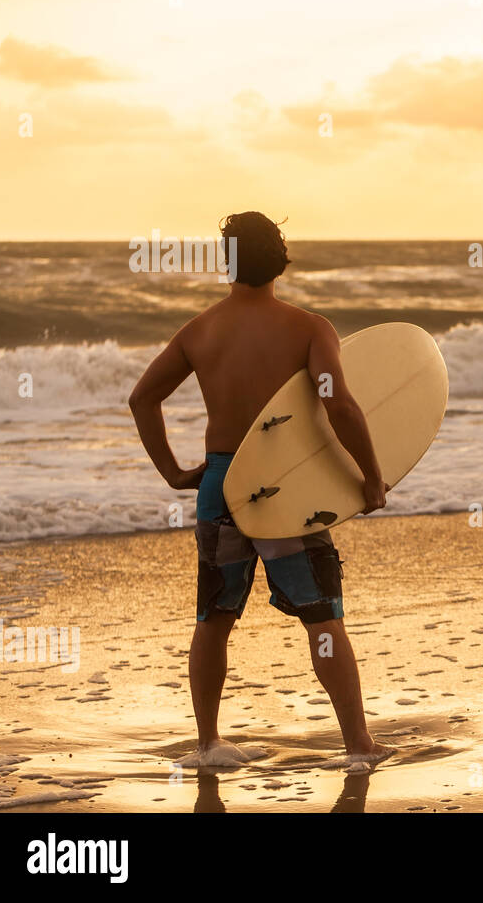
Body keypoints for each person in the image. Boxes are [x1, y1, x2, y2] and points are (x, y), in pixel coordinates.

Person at [128, 212, 389, 767]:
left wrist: (174, 473)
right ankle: (358, 747)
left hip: (222, 485)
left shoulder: (200, 330)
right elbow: (337, 403)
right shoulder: (308, 328)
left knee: (213, 619)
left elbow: (142, 399)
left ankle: (207, 744)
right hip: (288, 488)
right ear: (281, 259)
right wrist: (369, 475)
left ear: (227, 261)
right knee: (323, 617)